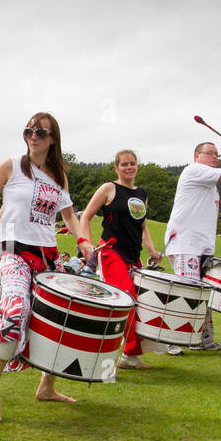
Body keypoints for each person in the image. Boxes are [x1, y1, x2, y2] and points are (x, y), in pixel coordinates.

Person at [0, 112, 87, 419]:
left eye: (41, 132)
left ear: (52, 139)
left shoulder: (59, 177)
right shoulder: (12, 166)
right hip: (14, 253)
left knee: (56, 319)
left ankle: (46, 386)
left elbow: (69, 215)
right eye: (30, 131)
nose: (34, 136)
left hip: (47, 256)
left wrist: (83, 239)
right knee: (15, 311)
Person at [80, 148, 164, 370]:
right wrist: (85, 242)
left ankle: (127, 353)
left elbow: (143, 227)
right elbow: (86, 216)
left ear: (137, 166)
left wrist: (153, 252)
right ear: (116, 168)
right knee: (127, 299)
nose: (129, 167)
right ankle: (126, 354)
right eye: (124, 164)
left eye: (132, 163)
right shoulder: (109, 188)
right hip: (111, 252)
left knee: (137, 302)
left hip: (133, 257)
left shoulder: (142, 194)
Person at [163, 136, 221, 350]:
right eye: (210, 153)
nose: (215, 157)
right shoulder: (193, 170)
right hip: (186, 245)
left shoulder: (210, 185)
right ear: (197, 156)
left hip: (201, 247)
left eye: (217, 154)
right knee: (188, 294)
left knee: (204, 293)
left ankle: (203, 339)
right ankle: (170, 341)